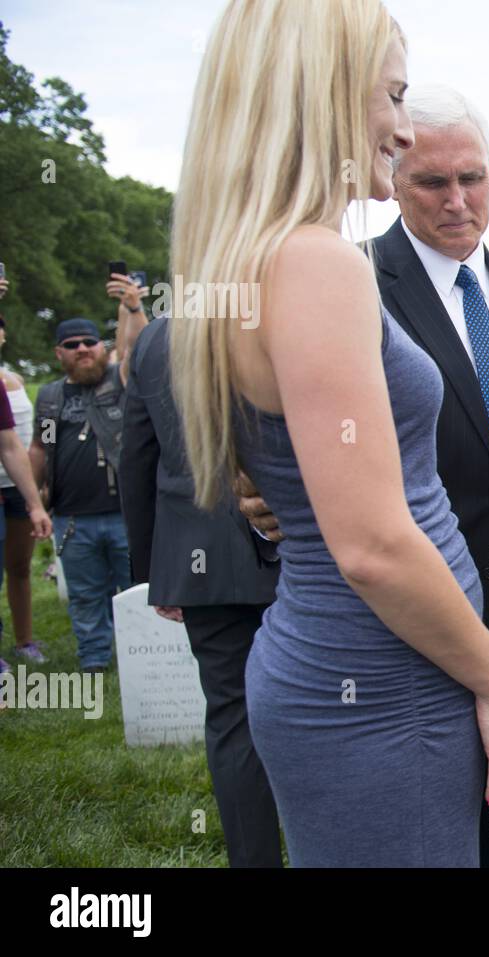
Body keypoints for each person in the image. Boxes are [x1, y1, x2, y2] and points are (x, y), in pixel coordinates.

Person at [168, 0, 489, 866]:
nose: (402, 130)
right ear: (322, 92)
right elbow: (370, 546)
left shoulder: (249, 256)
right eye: (392, 95)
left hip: (349, 668)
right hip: (384, 681)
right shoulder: (316, 261)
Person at [119, 314, 284, 867]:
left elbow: (137, 460)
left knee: (233, 717)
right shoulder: (276, 312)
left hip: (201, 563)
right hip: (292, 549)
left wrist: (153, 570)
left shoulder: (154, 339)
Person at [30, 294, 146, 672]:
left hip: (125, 513)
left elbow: (135, 348)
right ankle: (94, 660)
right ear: (58, 353)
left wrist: (132, 308)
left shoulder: (121, 381)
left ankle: (143, 659)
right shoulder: (49, 398)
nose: (82, 349)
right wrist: (36, 498)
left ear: (102, 347)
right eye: (71, 345)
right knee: (84, 595)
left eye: (89, 342)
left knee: (137, 590)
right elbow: (41, 447)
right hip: (73, 518)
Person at [0, 314, 42, 664]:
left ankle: (24, 640)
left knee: (19, 566)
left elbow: (12, 445)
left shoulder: (10, 381)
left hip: (16, 483)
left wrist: (35, 501)